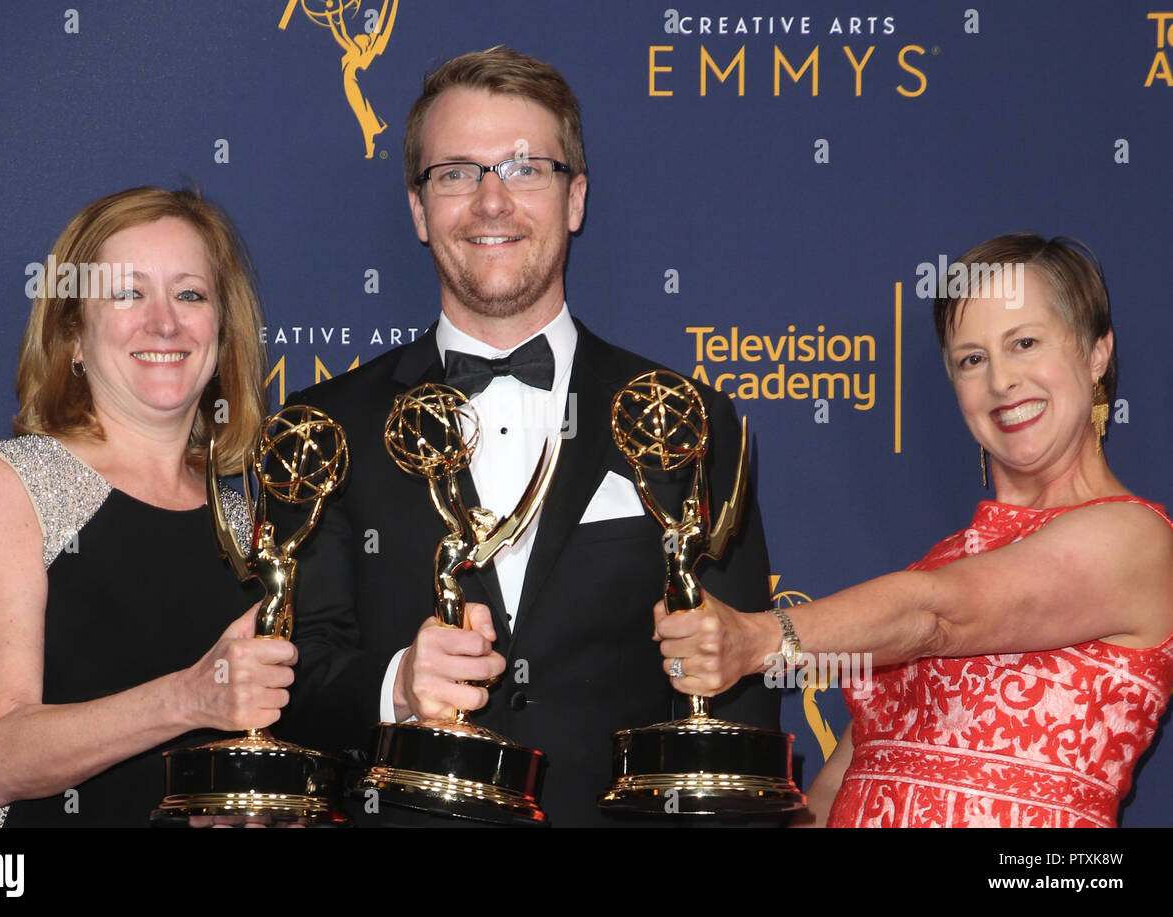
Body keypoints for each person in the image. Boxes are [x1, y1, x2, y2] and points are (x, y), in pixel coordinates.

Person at [270, 47, 777, 826]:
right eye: (457, 172)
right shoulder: (323, 428)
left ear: (575, 198)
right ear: (418, 209)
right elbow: (283, 694)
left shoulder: (687, 417)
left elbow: (738, 705)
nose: (491, 201)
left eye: (525, 168)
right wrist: (399, 686)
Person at [655, 233, 1173, 828]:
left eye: (1025, 343)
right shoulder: (941, 561)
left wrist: (756, 639)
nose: (1002, 381)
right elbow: (841, 786)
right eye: (972, 359)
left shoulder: (1135, 538)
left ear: (1095, 353)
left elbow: (937, 619)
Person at [0, 187, 296, 827]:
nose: (165, 323)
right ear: (72, 335)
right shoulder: (12, 483)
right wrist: (189, 697)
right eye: (128, 293)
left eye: (190, 295)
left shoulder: (243, 520)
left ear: (222, 331)